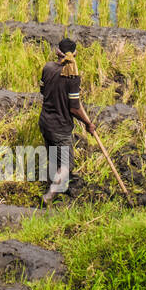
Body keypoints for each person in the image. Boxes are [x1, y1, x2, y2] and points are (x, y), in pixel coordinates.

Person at [39, 38, 95, 204]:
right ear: (75, 53)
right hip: (60, 127)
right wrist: (88, 123)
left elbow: (43, 91)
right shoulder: (73, 77)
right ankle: (48, 197)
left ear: (58, 52)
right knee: (66, 165)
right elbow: (74, 108)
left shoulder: (48, 68)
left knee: (54, 158)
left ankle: (52, 186)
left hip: (45, 122)